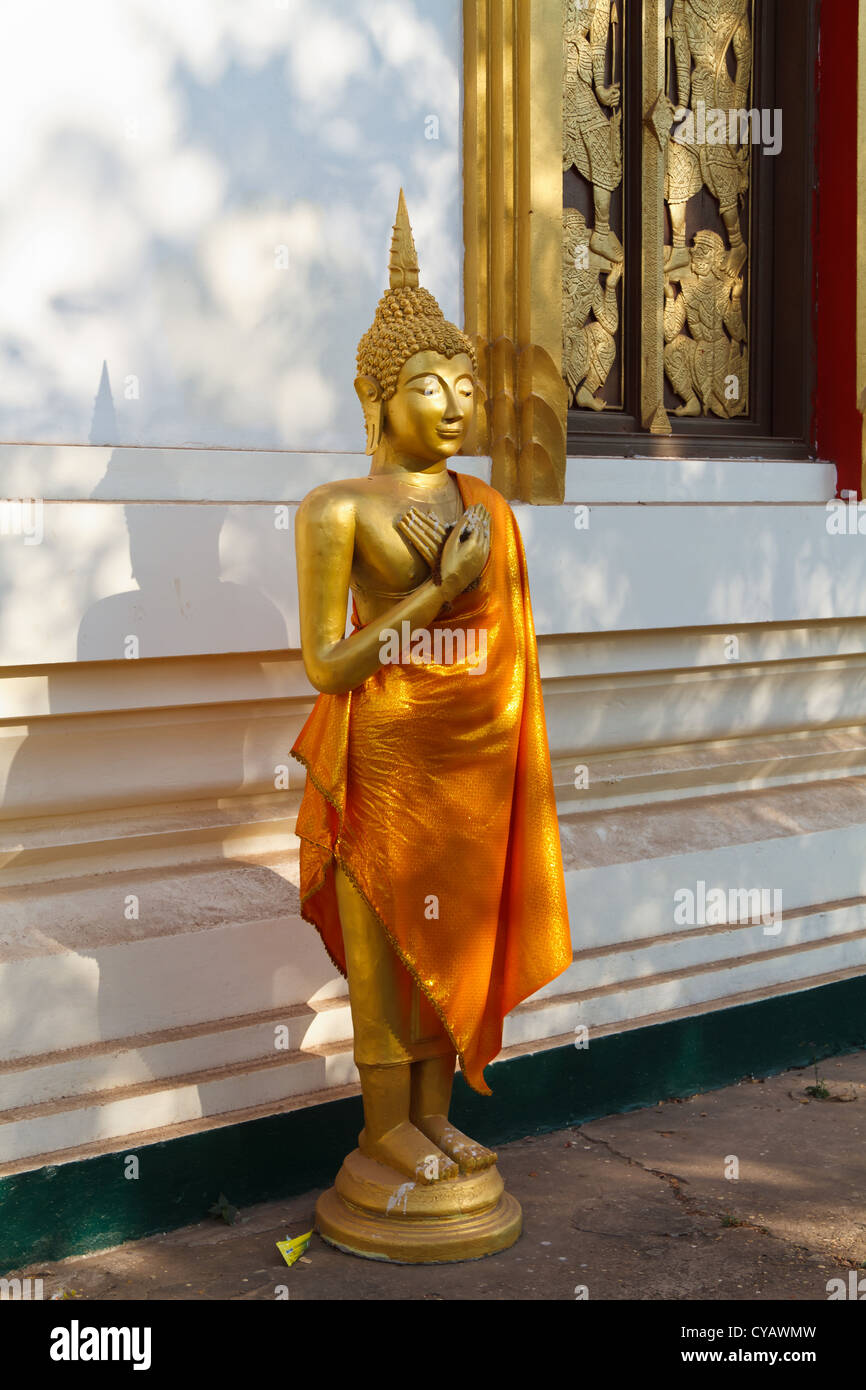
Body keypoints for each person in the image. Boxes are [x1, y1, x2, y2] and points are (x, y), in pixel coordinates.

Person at [291, 192, 571, 1187]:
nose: (456, 405)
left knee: (448, 938)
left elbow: (505, 650)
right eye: (428, 385)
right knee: (386, 949)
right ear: (373, 396)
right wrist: (438, 590)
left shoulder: (484, 503)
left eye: (465, 385)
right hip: (383, 755)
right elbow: (327, 665)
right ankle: (382, 1133)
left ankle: (436, 1118)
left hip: (471, 757)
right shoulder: (335, 510)